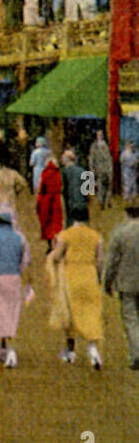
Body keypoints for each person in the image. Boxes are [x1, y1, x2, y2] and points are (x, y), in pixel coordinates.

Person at [48, 213, 105, 369]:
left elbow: (57, 256)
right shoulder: (96, 236)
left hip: (71, 277)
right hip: (89, 275)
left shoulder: (65, 235)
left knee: (70, 314)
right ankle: (93, 349)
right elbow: (100, 260)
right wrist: (98, 277)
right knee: (91, 313)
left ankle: (70, 350)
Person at [0, 210, 31, 368]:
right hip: (14, 278)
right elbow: (25, 260)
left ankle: (7, 349)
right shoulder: (20, 237)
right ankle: (6, 345)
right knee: (12, 312)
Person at [103, 200, 139, 370]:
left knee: (131, 320)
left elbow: (112, 261)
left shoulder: (120, 233)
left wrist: (107, 282)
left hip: (127, 283)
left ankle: (137, 354)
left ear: (127, 213)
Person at [36, 155, 65, 251]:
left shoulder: (44, 173)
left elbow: (41, 188)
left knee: (47, 223)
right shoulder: (58, 173)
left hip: (46, 199)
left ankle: (49, 244)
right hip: (56, 199)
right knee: (56, 222)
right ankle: (57, 243)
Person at [88, 131, 113, 210]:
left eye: (101, 135)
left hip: (107, 169)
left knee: (108, 186)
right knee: (100, 187)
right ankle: (101, 203)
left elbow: (109, 158)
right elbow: (91, 159)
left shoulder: (105, 145)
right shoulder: (94, 146)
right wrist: (92, 170)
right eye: (98, 135)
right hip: (99, 169)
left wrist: (110, 169)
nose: (100, 136)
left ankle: (108, 201)